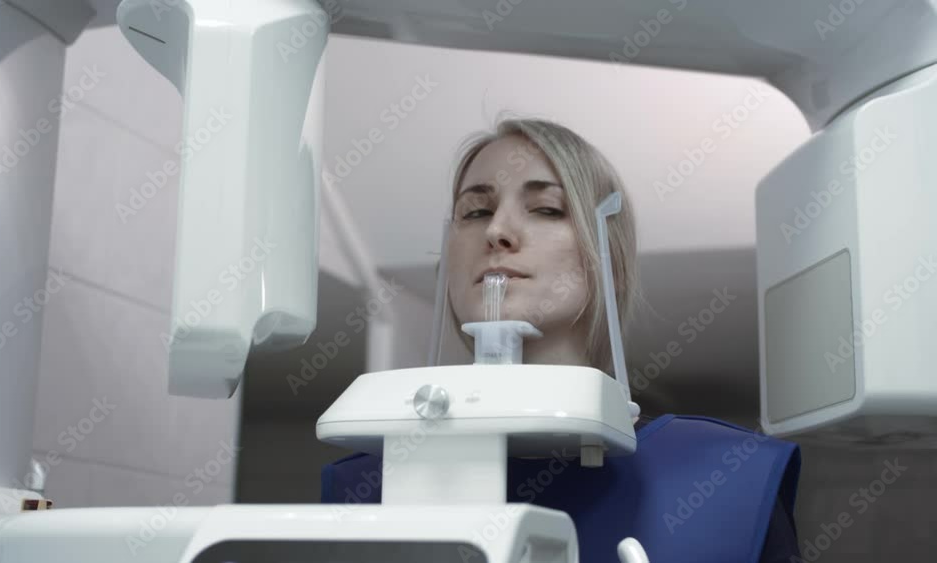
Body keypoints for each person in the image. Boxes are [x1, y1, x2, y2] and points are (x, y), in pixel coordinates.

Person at [320, 118, 802, 563]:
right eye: (475, 211)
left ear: (607, 260)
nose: (496, 231)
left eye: (547, 208)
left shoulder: (728, 477)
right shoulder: (362, 486)